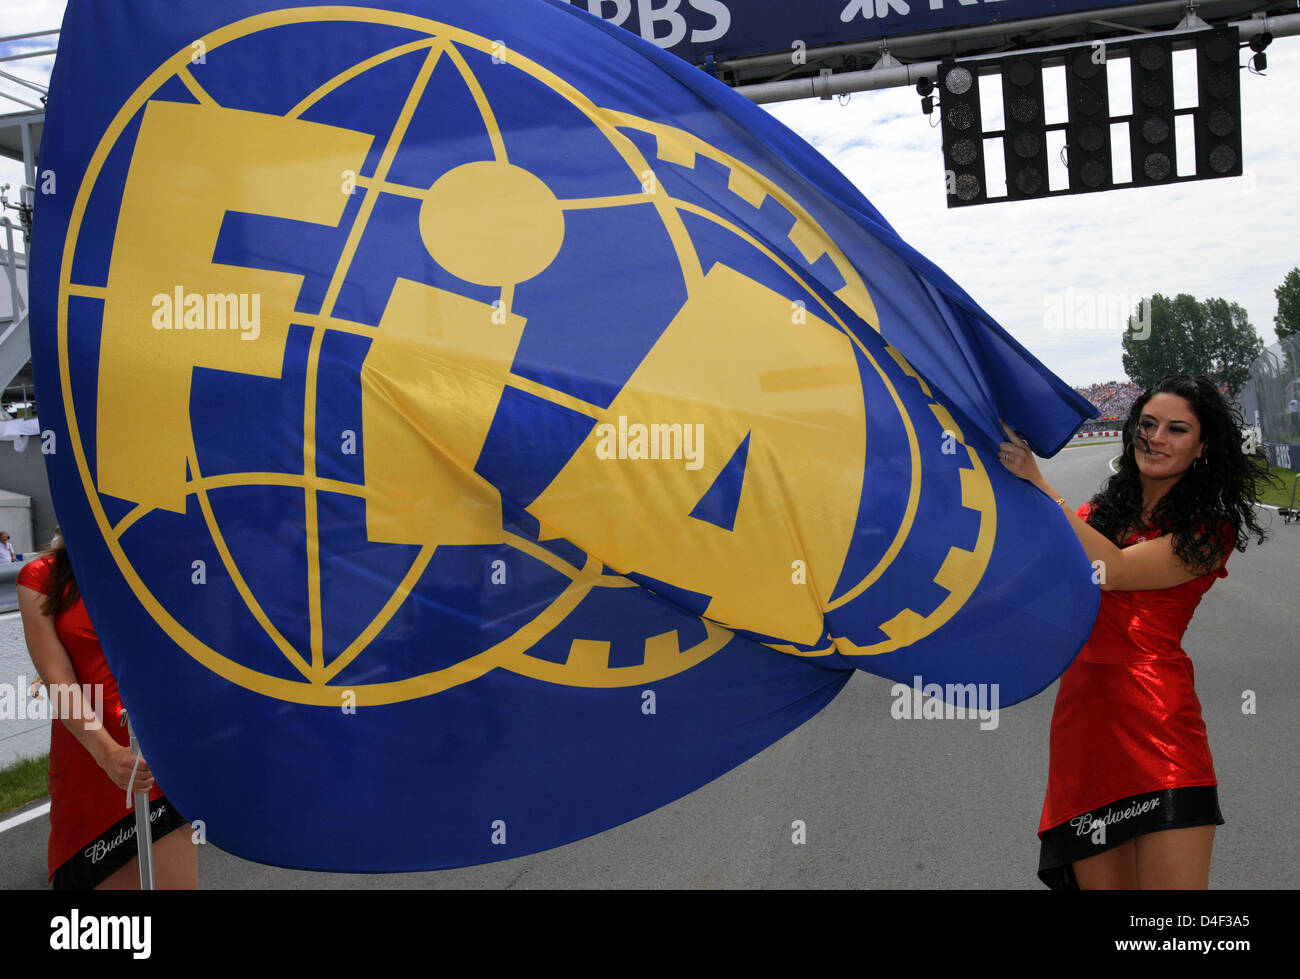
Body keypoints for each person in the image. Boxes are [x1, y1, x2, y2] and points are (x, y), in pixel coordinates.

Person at [998, 374, 1274, 889]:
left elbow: (1116, 571)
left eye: (1176, 429)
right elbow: (1026, 587)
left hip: (1161, 732)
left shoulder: (1209, 530)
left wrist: (1040, 484)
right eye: (1147, 424)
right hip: (1082, 734)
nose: (1156, 437)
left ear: (1202, 447)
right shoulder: (1092, 517)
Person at [16, 531, 198, 889]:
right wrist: (107, 754)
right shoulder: (42, 576)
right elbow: (58, 680)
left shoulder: (159, 568)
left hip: (160, 760)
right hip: (89, 763)